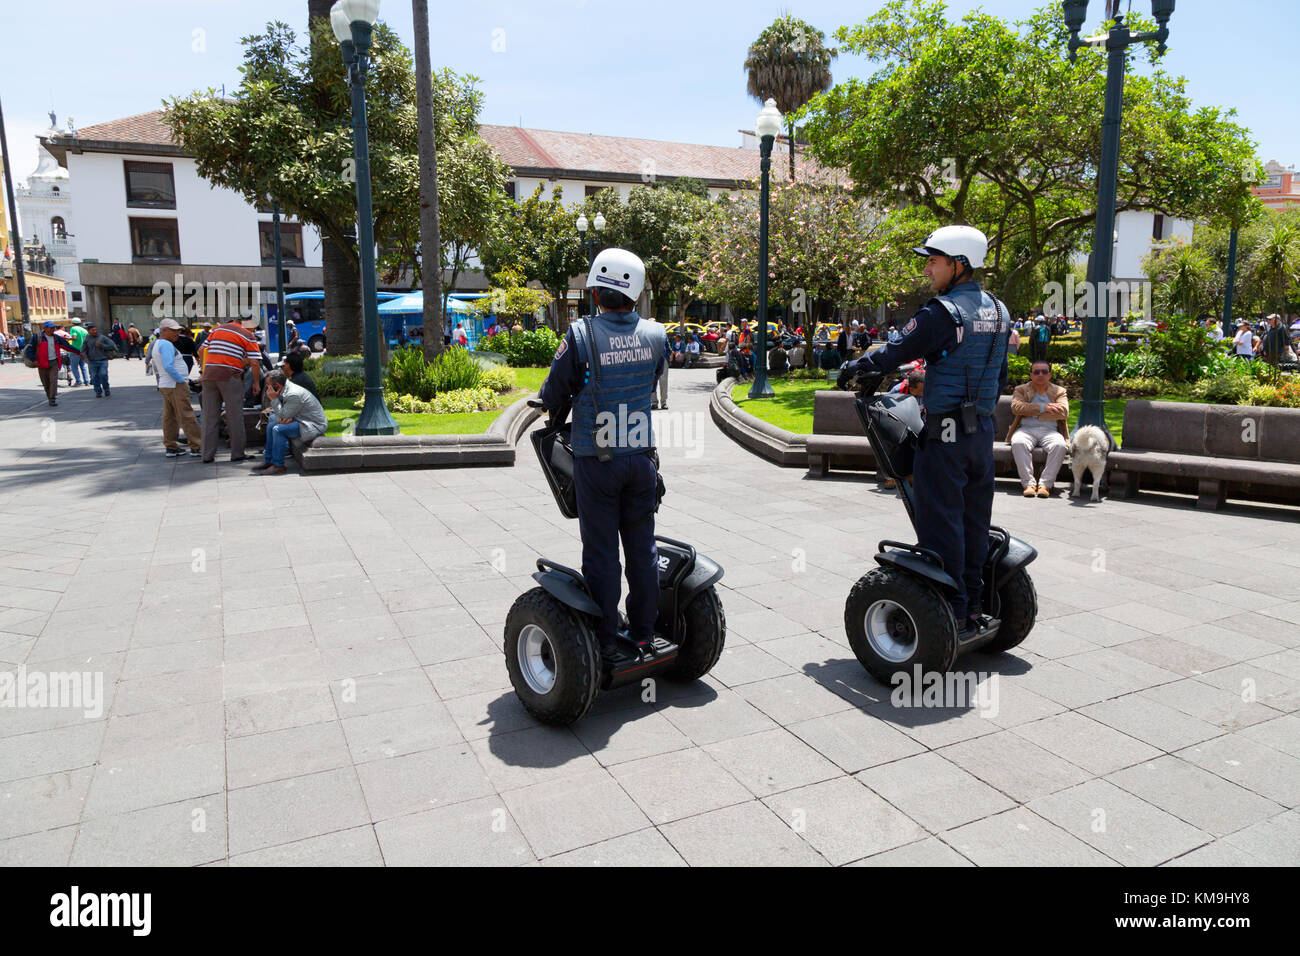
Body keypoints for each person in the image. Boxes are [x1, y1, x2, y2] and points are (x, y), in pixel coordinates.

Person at [838, 224, 1009, 638]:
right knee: (974, 520)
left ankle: (950, 610)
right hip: (981, 433)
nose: (928, 269)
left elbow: (896, 351)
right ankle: (972, 603)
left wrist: (856, 367)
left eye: (934, 261)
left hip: (945, 436)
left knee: (941, 523)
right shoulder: (999, 311)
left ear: (959, 264)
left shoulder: (942, 313)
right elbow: (1000, 376)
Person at [537, 247, 667, 667]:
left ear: (595, 294)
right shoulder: (656, 334)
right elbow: (651, 378)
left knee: (601, 554)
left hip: (598, 460)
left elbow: (555, 392)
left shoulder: (580, 335)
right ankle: (645, 635)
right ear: (636, 293)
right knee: (642, 550)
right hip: (642, 459)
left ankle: (606, 641)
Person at [200, 314, 261, 463]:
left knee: (209, 417)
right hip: (229, 377)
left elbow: (202, 350)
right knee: (234, 416)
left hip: (209, 376)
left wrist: (205, 368)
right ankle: (238, 453)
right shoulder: (247, 335)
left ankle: (207, 455)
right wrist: (256, 383)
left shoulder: (218, 330)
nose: (255, 329)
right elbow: (254, 362)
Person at [1007, 360, 1069, 497]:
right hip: (1026, 429)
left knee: (1060, 445)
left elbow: (1063, 411)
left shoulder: (1059, 391)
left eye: (1044, 372)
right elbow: (1016, 408)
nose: (1040, 374)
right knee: (1018, 442)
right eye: (1036, 372)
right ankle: (1028, 484)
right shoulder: (1021, 390)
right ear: (1031, 375)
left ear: (1049, 375)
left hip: (1050, 430)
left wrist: (1030, 410)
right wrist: (1044, 407)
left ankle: (1045, 485)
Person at [251, 370, 327, 475]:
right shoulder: (285, 388)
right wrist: (283, 416)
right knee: (272, 422)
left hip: (311, 425)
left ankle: (278, 465)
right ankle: (269, 460)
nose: (266, 389)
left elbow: (283, 416)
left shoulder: (293, 394)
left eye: (268, 385)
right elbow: (282, 415)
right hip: (299, 418)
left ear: (276, 385)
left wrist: (274, 399)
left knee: (278, 430)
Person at [152, 319, 202, 458]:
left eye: (178, 330)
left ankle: (171, 447)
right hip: (175, 385)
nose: (177, 333)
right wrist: (182, 381)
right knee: (186, 415)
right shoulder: (166, 345)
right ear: (164, 331)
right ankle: (197, 445)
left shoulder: (158, 343)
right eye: (173, 330)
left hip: (166, 384)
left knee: (169, 417)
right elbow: (168, 366)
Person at [27, 321, 80, 406]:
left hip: (54, 362)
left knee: (53, 380)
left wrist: (79, 352)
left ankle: (52, 399)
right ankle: (49, 397)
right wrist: (34, 360)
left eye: (53, 328)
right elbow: (29, 349)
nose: (53, 329)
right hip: (41, 363)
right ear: (45, 328)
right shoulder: (37, 337)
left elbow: (67, 346)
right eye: (51, 328)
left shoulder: (56, 338)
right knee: (46, 383)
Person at [81, 321, 119, 397]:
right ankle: (98, 392)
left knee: (103, 375)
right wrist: (85, 358)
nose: (95, 331)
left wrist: (102, 345)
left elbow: (112, 346)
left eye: (95, 330)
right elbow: (83, 350)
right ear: (88, 331)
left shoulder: (102, 337)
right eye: (93, 330)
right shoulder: (87, 338)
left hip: (103, 360)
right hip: (92, 361)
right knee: (94, 377)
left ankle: (106, 388)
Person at [66, 317, 89, 386]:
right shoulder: (84, 330)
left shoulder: (73, 328)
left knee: (74, 367)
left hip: (75, 350)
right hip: (83, 350)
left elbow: (74, 338)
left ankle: (78, 381)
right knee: (83, 366)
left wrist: (67, 338)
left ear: (72, 323)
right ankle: (86, 381)